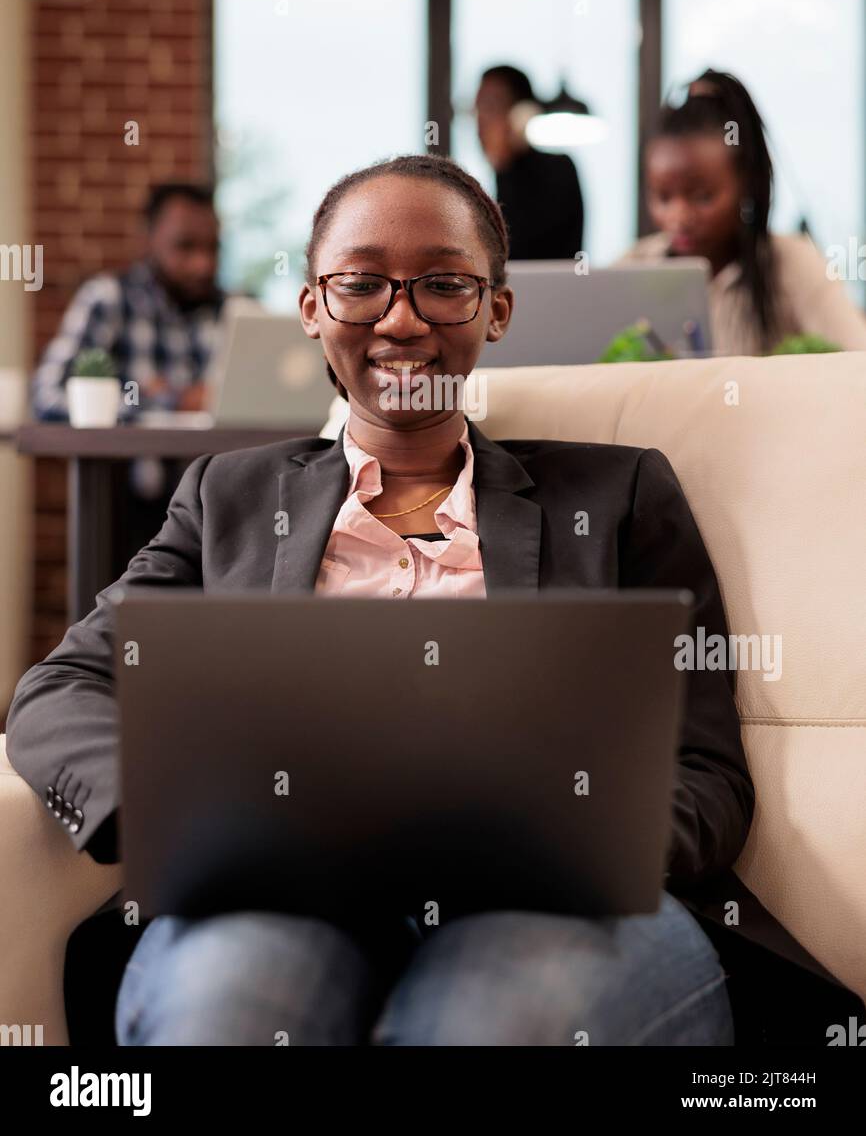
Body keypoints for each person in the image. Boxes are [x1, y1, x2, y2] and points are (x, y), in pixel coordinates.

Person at [9, 153, 763, 1045]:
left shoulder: (620, 495)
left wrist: (581, 836)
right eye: (362, 284)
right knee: (230, 1012)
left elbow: (709, 775)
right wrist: (176, 816)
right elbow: (58, 693)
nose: (401, 321)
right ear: (312, 307)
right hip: (282, 897)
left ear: (498, 308)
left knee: (489, 1022)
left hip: (560, 906)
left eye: (443, 284)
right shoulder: (229, 500)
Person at [617, 70, 866, 355]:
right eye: (663, 197)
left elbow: (859, 362)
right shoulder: (633, 268)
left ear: (746, 184)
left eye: (702, 197)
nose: (679, 216)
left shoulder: (791, 264)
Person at [31, 181, 225, 422]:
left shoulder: (233, 311)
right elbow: (46, 398)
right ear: (147, 239)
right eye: (185, 246)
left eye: (213, 248)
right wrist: (168, 403)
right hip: (138, 461)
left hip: (219, 461)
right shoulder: (107, 300)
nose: (203, 265)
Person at [475, 65, 584, 260]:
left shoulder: (558, 170)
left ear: (522, 114)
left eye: (490, 106)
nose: (480, 120)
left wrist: (505, 164)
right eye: (477, 109)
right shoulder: (495, 176)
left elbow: (520, 252)